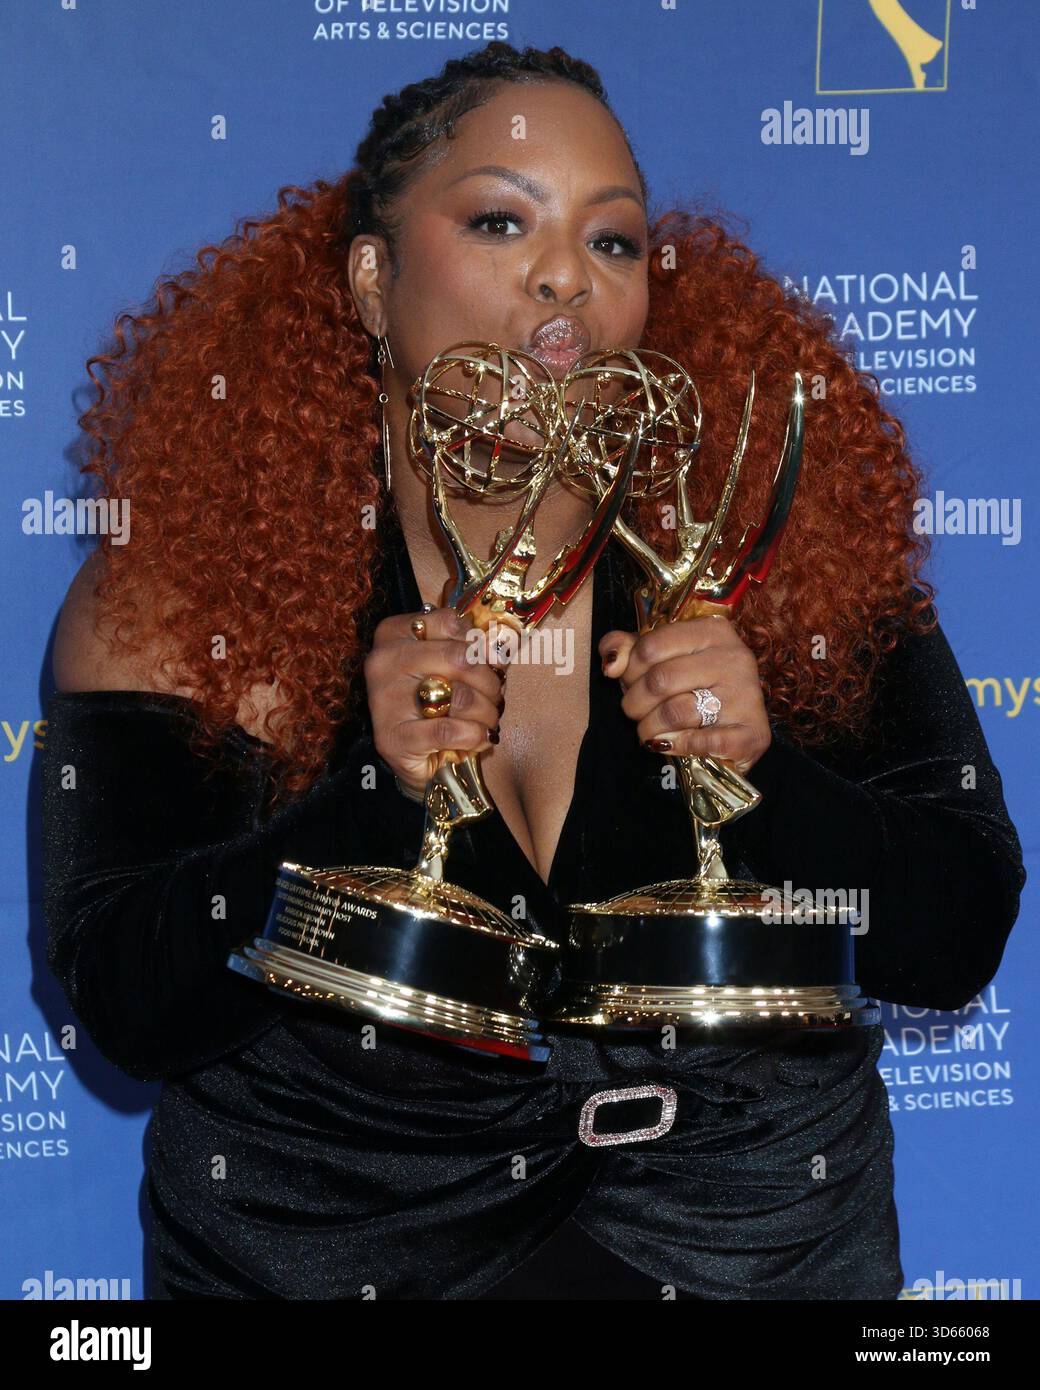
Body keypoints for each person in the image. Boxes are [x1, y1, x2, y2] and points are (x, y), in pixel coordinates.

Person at [41, 42, 1024, 1300]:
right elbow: (130, 1001)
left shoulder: (778, 560)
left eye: (612, 242)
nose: (565, 271)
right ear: (369, 278)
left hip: (758, 1253)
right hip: (327, 1262)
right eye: (501, 219)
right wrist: (368, 795)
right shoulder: (189, 595)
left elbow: (954, 929)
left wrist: (761, 772)